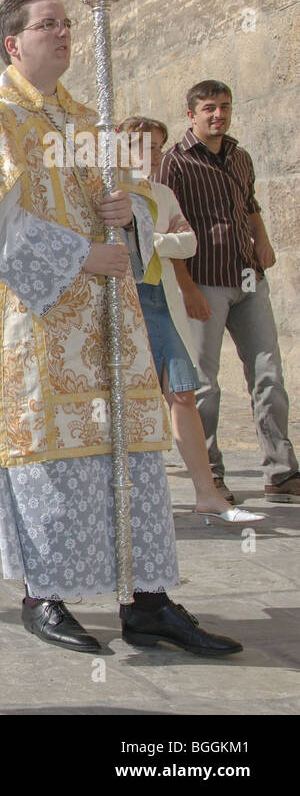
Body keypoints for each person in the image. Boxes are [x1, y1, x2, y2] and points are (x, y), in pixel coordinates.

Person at [0, 0, 241, 656]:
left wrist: (132, 217)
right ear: (14, 43)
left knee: (132, 460)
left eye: (67, 23)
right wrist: (84, 253)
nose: (63, 33)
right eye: (48, 25)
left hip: (107, 331)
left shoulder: (90, 122)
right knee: (52, 469)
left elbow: (130, 211)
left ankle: (148, 600)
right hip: (31, 334)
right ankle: (45, 596)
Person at [151, 81, 299, 504]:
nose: (219, 115)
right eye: (210, 108)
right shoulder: (174, 164)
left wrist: (263, 240)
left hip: (249, 279)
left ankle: (280, 471)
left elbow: (249, 204)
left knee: (269, 375)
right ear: (192, 115)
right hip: (205, 283)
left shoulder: (239, 156)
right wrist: (187, 289)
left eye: (225, 107)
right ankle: (211, 473)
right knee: (203, 384)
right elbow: (168, 225)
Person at [119, 115, 262, 525]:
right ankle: (129, 498)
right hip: (126, 307)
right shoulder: (107, 193)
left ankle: (207, 493)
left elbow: (189, 242)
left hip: (162, 302)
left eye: (158, 148)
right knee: (127, 401)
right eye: (144, 147)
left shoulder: (161, 194)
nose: (153, 155)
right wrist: (156, 240)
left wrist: (148, 238)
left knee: (183, 395)